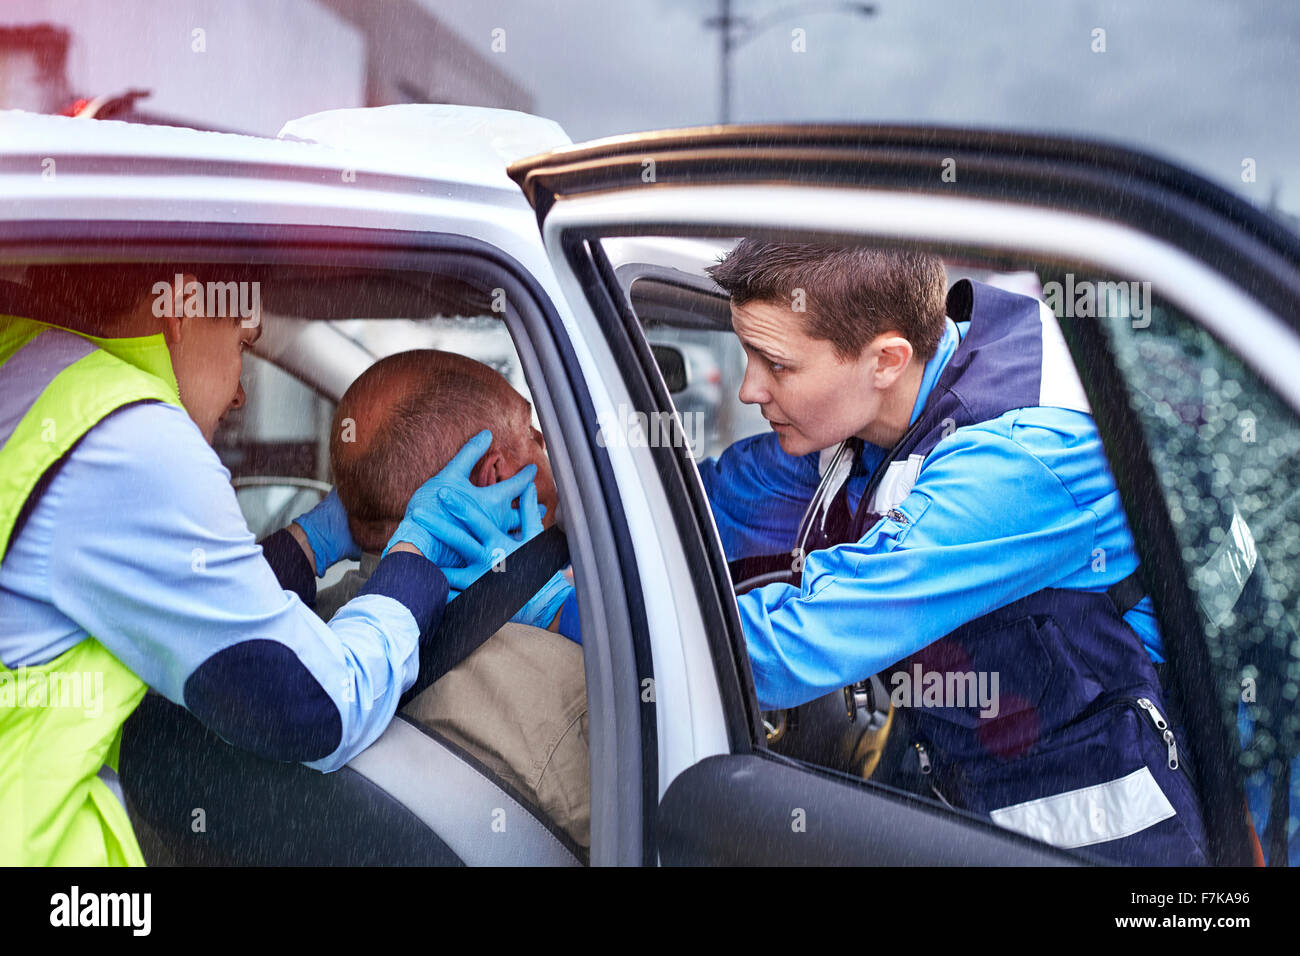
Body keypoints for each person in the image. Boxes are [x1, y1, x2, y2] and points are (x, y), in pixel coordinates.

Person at [435, 241, 1210, 866]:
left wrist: (563, 611)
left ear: (884, 358)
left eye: (777, 364)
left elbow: (785, 649)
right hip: (978, 791)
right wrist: (545, 515)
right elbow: (702, 508)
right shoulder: (863, 416)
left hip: (1114, 835)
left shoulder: (1014, 468)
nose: (747, 390)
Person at [0, 266, 529, 866]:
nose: (242, 392)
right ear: (183, 304)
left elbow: (196, 607)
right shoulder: (129, 436)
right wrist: (413, 562)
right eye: (241, 344)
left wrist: (313, 540)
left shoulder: (30, 364)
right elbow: (313, 706)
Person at [294, 349, 589, 849]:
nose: (544, 442)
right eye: (530, 429)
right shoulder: (569, 688)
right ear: (492, 476)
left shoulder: (307, 636)